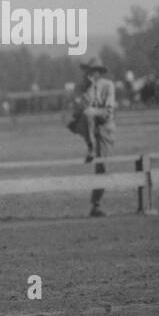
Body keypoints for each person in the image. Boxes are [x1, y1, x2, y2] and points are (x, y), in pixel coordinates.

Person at [67, 57, 116, 217]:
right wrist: (87, 92)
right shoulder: (80, 87)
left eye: (96, 71)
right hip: (85, 125)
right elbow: (77, 110)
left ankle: (96, 204)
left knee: (104, 167)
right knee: (86, 115)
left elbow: (108, 113)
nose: (92, 74)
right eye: (89, 71)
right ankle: (91, 148)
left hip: (103, 127)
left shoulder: (108, 86)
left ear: (100, 73)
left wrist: (92, 111)